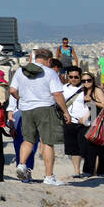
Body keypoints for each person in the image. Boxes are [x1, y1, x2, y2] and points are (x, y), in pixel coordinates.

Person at [9, 49, 69, 186]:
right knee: (47, 142)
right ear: (48, 60)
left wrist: (21, 99)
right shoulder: (50, 72)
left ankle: (22, 165)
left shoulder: (21, 71)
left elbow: (12, 90)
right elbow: (57, 94)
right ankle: (48, 176)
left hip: (26, 109)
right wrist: (65, 112)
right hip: (45, 108)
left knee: (28, 140)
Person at [79, 72, 104, 178]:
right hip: (90, 119)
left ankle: (102, 171)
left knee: (100, 146)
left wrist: (92, 101)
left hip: (100, 120)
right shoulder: (83, 91)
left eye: (89, 80)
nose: (86, 82)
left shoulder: (97, 90)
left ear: (93, 80)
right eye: (83, 81)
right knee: (88, 146)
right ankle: (89, 170)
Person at [61, 67, 89, 177]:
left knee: (86, 147)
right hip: (69, 121)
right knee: (73, 148)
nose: (73, 79)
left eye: (76, 77)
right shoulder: (63, 89)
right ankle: (77, 171)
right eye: (71, 77)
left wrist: (88, 117)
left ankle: (91, 169)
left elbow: (93, 104)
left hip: (85, 121)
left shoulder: (86, 88)